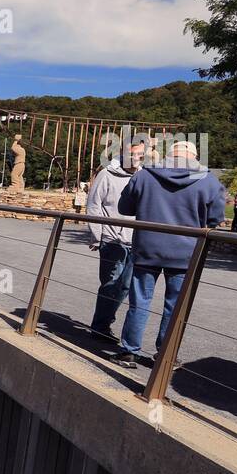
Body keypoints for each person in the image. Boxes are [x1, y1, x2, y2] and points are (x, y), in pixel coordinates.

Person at [112, 140, 225, 369]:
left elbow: (124, 209)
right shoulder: (209, 180)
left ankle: (128, 352)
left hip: (147, 247)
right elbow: (215, 219)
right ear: (193, 156)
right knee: (174, 306)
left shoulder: (144, 175)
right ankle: (166, 355)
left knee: (139, 301)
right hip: (185, 252)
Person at [85, 142, 142, 342]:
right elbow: (93, 205)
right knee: (110, 283)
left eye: (142, 155)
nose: (138, 159)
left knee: (125, 286)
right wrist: (97, 236)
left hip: (135, 241)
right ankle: (99, 327)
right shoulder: (106, 174)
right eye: (135, 154)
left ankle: (105, 323)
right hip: (111, 239)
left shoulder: (143, 176)